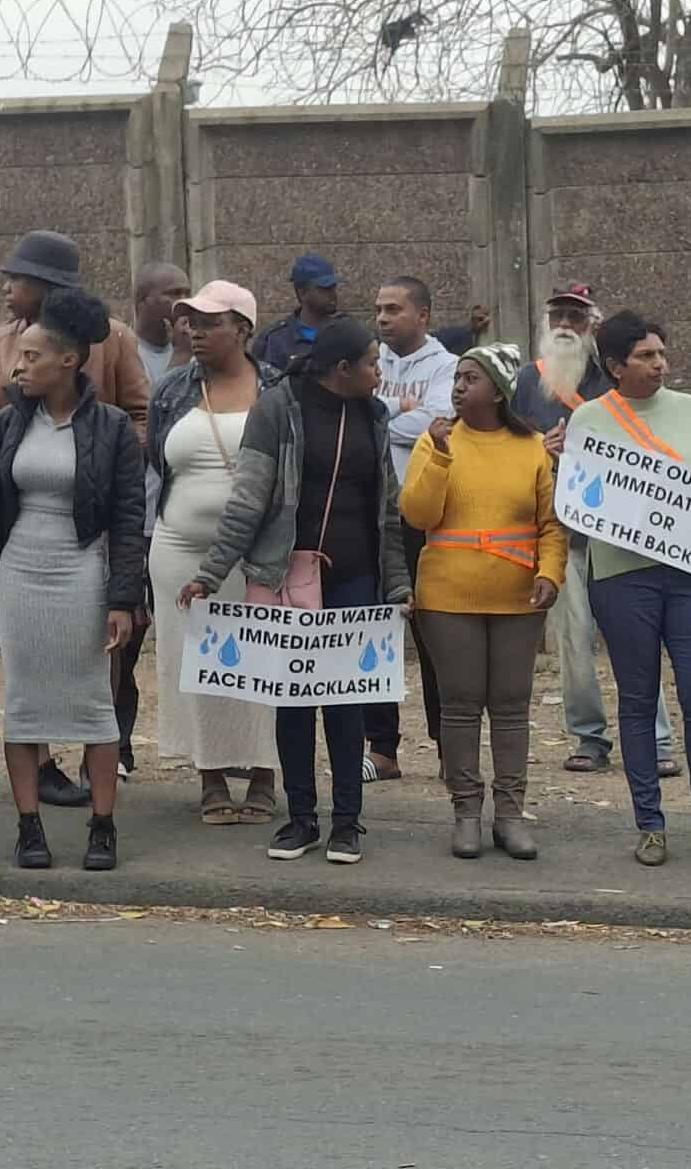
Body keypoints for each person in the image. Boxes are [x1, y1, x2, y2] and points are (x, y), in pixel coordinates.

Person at [182, 318, 411, 866]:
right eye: (372, 364)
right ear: (342, 369)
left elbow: (388, 510)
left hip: (355, 578)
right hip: (285, 577)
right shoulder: (277, 410)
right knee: (293, 701)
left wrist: (398, 581)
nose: (379, 374)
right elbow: (247, 500)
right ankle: (301, 818)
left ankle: (347, 822)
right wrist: (211, 573)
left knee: (347, 702)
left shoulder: (374, 416)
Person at [0, 287, 147, 872]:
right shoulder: (8, 424)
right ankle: (29, 827)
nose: (18, 367)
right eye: (19, 356)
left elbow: (129, 518)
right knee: (25, 703)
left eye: (31, 357)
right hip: (19, 576)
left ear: (68, 361)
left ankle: (102, 826)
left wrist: (123, 598)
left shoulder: (111, 428)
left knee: (94, 702)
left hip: (83, 574)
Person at [569, 311, 691, 868]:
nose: (660, 365)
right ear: (615, 366)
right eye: (646, 356)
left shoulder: (690, 409)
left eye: (662, 354)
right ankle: (650, 824)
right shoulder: (588, 421)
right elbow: (576, 504)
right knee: (638, 697)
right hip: (622, 578)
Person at [399, 342, 564, 860]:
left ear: (498, 392)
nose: (458, 386)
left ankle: (510, 815)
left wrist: (550, 573)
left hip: (518, 597)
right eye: (458, 378)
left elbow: (551, 524)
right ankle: (466, 812)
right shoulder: (436, 441)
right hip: (448, 597)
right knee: (461, 704)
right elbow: (417, 514)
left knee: (511, 706)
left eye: (471, 378)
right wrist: (440, 454)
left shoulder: (532, 447)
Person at [512, 284, 675, 778]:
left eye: (576, 317)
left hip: (618, 535)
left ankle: (656, 740)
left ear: (593, 326)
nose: (565, 325)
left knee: (636, 639)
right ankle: (589, 736)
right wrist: (542, 450)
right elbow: (510, 446)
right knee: (573, 643)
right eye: (557, 315)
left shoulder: (615, 379)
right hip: (561, 533)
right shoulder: (527, 381)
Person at [146, 281, 280, 824]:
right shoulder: (172, 390)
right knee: (194, 665)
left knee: (260, 663)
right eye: (190, 322)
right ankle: (211, 777)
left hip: (256, 557)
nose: (194, 332)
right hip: (178, 552)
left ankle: (265, 774)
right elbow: (157, 462)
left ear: (243, 329)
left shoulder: (278, 389)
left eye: (209, 323)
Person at [368, 274, 458, 780]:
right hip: (370, 516)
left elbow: (437, 423)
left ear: (422, 315)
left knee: (433, 635)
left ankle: (449, 748)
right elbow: (353, 409)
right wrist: (400, 410)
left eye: (394, 309)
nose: (382, 318)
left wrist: (380, 413)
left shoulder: (447, 366)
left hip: (421, 519)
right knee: (374, 633)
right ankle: (382, 749)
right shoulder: (369, 359)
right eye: (379, 309)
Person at [118, 261, 193, 780]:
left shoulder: (204, 355)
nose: (182, 302)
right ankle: (117, 746)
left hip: (181, 521)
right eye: (172, 293)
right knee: (125, 642)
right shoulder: (121, 353)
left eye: (187, 291)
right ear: (143, 301)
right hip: (134, 519)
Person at [248, 252, 341, 378]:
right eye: (325, 289)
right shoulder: (275, 341)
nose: (333, 295)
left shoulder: (347, 333)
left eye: (334, 288)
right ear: (303, 293)